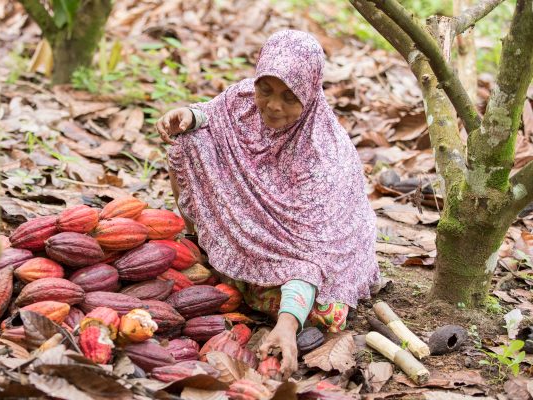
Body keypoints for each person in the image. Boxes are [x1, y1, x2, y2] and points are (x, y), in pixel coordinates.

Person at [155, 30, 379, 380]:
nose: (274, 105)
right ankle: (204, 243)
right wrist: (187, 114)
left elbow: (312, 254)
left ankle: (259, 286)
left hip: (317, 252)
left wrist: (288, 325)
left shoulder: (323, 159)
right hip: (258, 228)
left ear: (310, 95)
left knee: (326, 314)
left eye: (290, 97)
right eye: (266, 90)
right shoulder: (244, 97)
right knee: (189, 142)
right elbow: (213, 114)